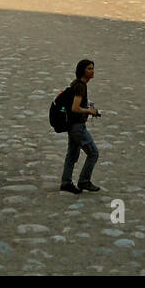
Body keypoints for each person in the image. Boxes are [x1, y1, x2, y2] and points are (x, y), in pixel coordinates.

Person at [60, 59, 100, 194]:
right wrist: (90, 111)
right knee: (93, 153)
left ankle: (66, 183)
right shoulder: (81, 86)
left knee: (72, 154)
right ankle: (84, 181)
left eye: (92, 68)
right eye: (89, 68)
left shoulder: (76, 84)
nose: (92, 71)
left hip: (72, 125)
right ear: (83, 70)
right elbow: (75, 108)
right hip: (77, 127)